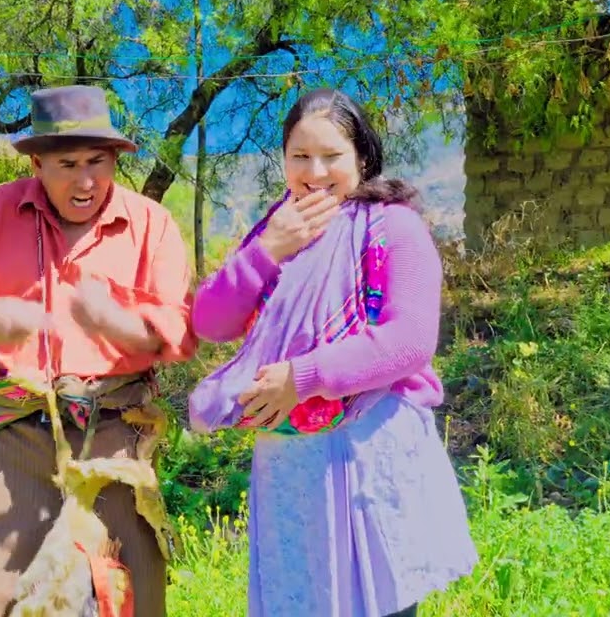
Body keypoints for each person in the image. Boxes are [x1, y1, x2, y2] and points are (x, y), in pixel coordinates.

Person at [188, 88, 477, 617]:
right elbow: (209, 321)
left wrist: (301, 378)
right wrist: (267, 250)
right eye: (300, 156)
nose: (314, 171)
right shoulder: (275, 231)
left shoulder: (393, 227)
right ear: (282, 160)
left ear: (361, 158)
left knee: (379, 601)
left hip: (371, 454)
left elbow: (409, 342)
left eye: (331, 156)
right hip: (293, 466)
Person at [0, 85, 197, 617]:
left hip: (119, 434)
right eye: (67, 162)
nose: (85, 180)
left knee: (124, 596)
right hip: (11, 430)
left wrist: (121, 325)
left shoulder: (151, 225)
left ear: (116, 158)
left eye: (98, 161)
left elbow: (179, 330)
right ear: (37, 162)